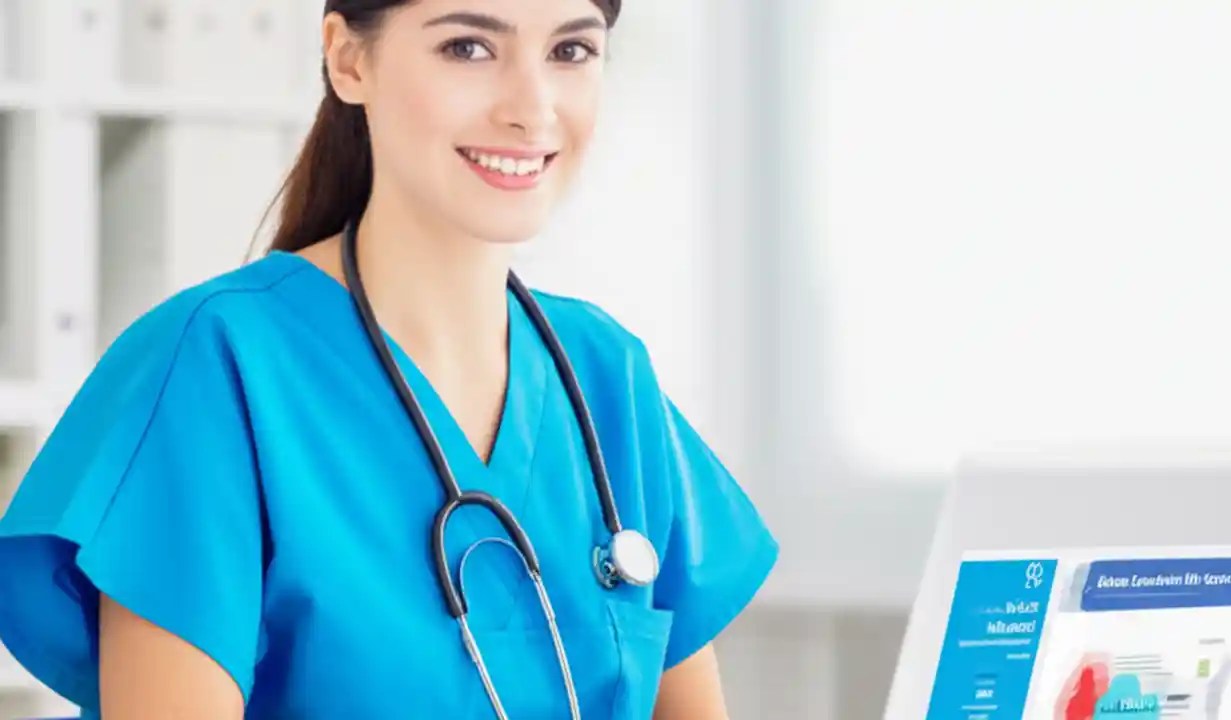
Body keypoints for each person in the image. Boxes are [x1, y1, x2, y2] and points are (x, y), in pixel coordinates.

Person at [0, 0, 778, 717]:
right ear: (348, 60)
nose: (532, 107)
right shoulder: (216, 367)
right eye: (468, 47)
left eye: (571, 49)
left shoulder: (607, 376)